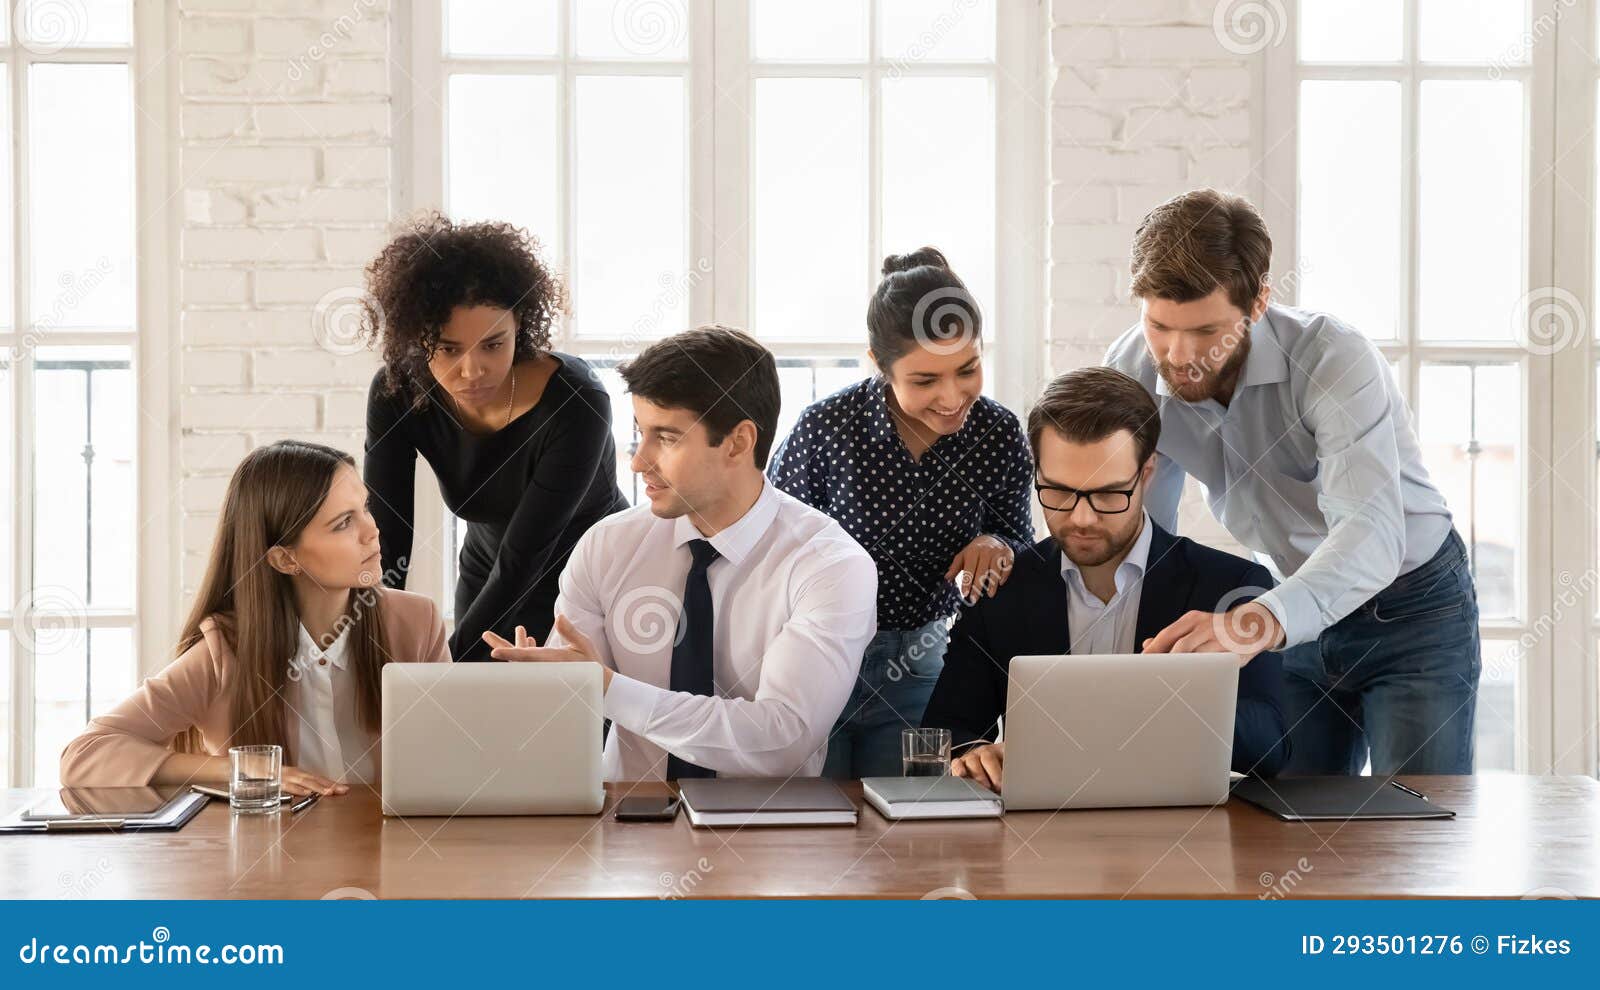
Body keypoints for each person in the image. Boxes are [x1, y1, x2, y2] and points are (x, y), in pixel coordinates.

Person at [1104, 188, 1479, 775]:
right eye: (1159, 326)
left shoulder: (1334, 357)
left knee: (1414, 833)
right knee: (1286, 825)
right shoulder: (1131, 368)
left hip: (1412, 609)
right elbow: (1140, 530)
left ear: (1258, 303)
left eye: (1205, 331)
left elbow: (1371, 534)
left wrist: (1254, 622)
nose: (1178, 356)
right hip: (1291, 606)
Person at [483, 326, 878, 781]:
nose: (637, 461)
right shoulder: (607, 546)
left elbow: (782, 738)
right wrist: (545, 693)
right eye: (640, 433)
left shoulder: (829, 565)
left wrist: (608, 689)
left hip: (765, 833)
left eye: (666, 438)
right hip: (625, 825)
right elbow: (571, 710)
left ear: (738, 442)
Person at [923, 368, 1290, 792]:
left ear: (1146, 474)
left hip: (1181, 836)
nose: (1081, 518)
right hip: (1036, 839)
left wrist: (1181, 698)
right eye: (1058, 491)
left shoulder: (1232, 584)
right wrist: (974, 756)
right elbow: (946, 733)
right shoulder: (1002, 589)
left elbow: (1271, 749)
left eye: (1107, 494)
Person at [767, 247, 1035, 778]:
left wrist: (997, 546)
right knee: (818, 831)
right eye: (925, 380)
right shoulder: (826, 429)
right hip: (820, 656)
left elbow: (1020, 540)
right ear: (878, 363)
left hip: (926, 661)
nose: (953, 396)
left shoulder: (999, 433)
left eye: (968, 369)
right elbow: (771, 546)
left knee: (914, 828)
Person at [60, 441, 450, 795]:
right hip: (266, 862)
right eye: (343, 522)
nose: (373, 531)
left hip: (389, 859)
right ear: (285, 558)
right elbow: (85, 754)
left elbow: (459, 754)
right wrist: (243, 767)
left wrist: (510, 691)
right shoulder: (224, 650)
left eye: (364, 508)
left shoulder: (416, 624)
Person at [361, 213, 629, 661]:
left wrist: (437, 672)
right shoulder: (396, 394)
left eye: (492, 344)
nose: (472, 370)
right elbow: (387, 535)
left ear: (519, 324)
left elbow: (525, 557)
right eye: (448, 349)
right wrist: (370, 642)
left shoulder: (578, 403)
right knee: (469, 717)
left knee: (568, 722)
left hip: (593, 578)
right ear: (417, 337)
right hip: (488, 570)